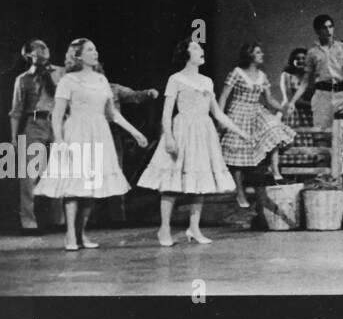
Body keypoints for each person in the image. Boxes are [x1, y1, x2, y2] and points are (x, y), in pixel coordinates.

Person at [33, 39, 148, 251]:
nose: (95, 53)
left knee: (90, 186)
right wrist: (59, 141)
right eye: (90, 49)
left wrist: (135, 131)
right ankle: (70, 234)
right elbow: (57, 114)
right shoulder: (68, 80)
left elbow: (112, 113)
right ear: (78, 55)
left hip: (99, 133)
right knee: (74, 185)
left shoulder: (102, 80)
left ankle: (81, 233)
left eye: (95, 49)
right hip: (76, 132)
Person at [137, 39, 247, 246]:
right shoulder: (175, 79)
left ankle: (194, 229)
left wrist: (240, 131)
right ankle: (164, 229)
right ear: (186, 54)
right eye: (195, 48)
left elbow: (217, 113)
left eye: (200, 47)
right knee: (171, 181)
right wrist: (169, 138)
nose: (201, 50)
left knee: (200, 181)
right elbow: (166, 114)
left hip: (203, 133)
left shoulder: (207, 81)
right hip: (182, 131)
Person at [216, 43, 296, 206]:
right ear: (249, 54)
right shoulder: (237, 72)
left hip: (256, 110)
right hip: (238, 112)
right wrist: (220, 119)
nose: (262, 54)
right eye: (258, 52)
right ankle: (240, 193)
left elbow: (269, 99)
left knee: (274, 128)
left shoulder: (262, 75)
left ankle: (275, 170)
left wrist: (283, 109)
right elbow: (223, 97)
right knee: (237, 152)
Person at [281, 14, 343, 140]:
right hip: (323, 97)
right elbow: (305, 80)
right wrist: (293, 101)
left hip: (342, 96)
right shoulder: (312, 53)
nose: (328, 30)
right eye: (324, 28)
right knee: (322, 135)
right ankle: (324, 152)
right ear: (317, 31)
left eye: (330, 27)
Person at [9, 39, 66, 231]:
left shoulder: (61, 72)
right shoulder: (23, 79)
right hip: (34, 124)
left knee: (59, 171)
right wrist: (14, 138)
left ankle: (58, 220)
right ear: (28, 54)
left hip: (57, 123)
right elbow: (16, 111)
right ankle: (28, 221)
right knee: (29, 175)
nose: (45, 49)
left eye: (46, 46)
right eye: (39, 47)